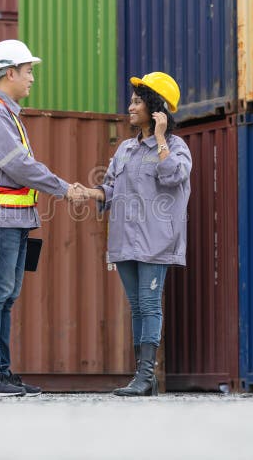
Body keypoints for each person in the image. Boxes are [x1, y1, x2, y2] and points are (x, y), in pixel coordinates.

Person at [0, 39, 86, 397]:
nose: (32, 77)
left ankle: (0, 372)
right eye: (28, 70)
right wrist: (63, 188)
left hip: (16, 218)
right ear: (9, 73)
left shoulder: (7, 114)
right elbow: (18, 166)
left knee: (6, 296)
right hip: (0, 217)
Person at [81, 72, 192, 396]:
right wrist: (88, 193)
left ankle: (145, 376)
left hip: (157, 242)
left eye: (137, 101)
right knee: (139, 307)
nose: (130, 107)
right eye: (131, 101)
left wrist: (159, 138)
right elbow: (112, 188)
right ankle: (143, 378)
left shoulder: (175, 146)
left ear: (157, 108)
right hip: (125, 241)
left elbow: (175, 176)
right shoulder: (126, 149)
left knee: (149, 303)